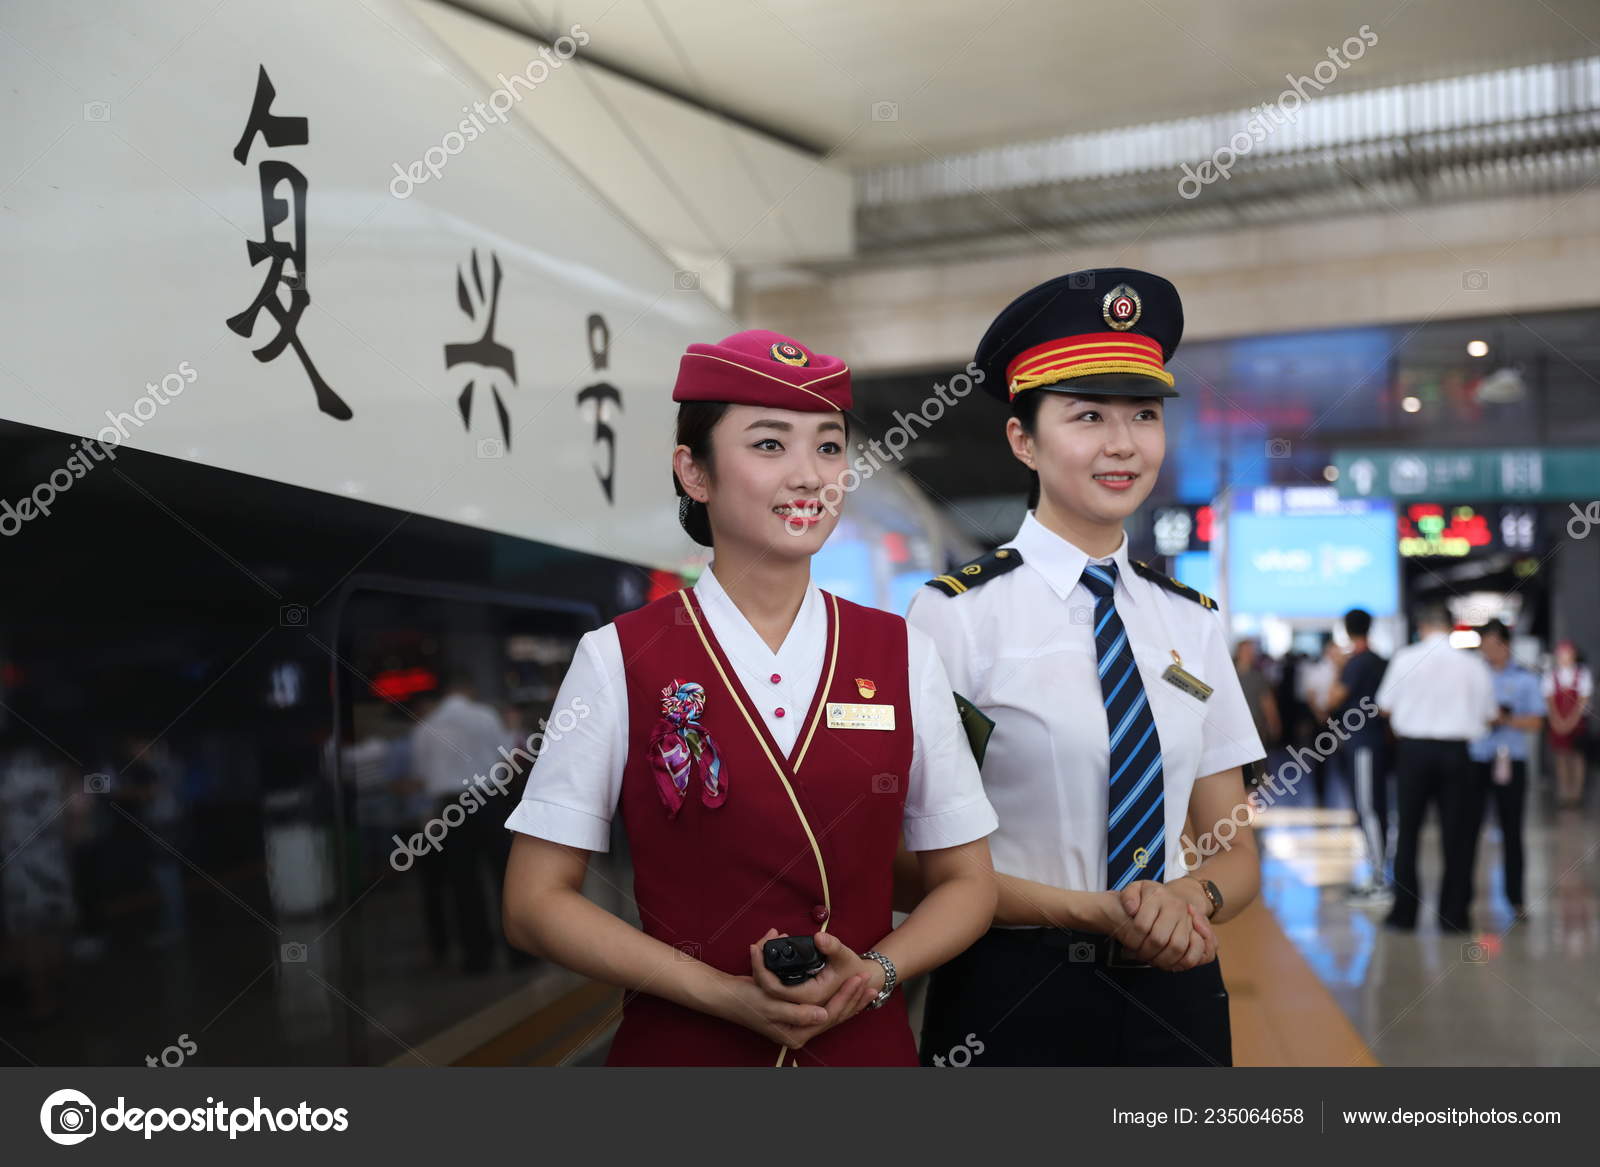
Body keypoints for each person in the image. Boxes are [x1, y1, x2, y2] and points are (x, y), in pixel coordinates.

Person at [500, 329, 999, 1066]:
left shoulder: (901, 655)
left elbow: (967, 883)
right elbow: (535, 901)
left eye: (828, 447)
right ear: (693, 472)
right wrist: (720, 993)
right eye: (770, 445)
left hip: (861, 1055)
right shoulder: (619, 657)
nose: (810, 475)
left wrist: (876, 972)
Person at [902, 268, 1266, 1067]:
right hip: (1010, 993)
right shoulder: (955, 615)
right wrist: (1096, 911)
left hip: (1180, 986)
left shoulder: (1189, 621)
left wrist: (1186, 897)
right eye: (1087, 415)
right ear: (1022, 439)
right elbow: (912, 856)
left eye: (1143, 414)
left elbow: (1234, 847)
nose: (1123, 443)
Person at [1373, 602, 1496, 933]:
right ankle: (1454, 915)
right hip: (1458, 754)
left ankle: (1404, 914)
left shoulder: (1405, 658)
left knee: (1408, 833)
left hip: (1413, 753)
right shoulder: (1473, 664)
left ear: (1422, 626)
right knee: (1458, 836)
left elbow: (1384, 707)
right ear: (1451, 627)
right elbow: (1489, 713)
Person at [410, 676, 513, 974]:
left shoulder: (425, 726)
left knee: (463, 884)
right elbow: (506, 759)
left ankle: (477, 957)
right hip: (488, 799)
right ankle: (520, 953)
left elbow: (421, 776)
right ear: (469, 689)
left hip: (449, 807)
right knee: (504, 877)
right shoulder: (484, 715)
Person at [1466, 620, 1544, 920]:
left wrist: (1505, 720)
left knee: (1512, 831)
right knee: (1468, 830)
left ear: (1505, 645)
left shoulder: (1524, 679)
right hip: (1476, 759)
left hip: (1510, 760)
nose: (1487, 650)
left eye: (1492, 644)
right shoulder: (1474, 675)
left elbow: (1536, 722)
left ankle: (1516, 899)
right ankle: (1464, 898)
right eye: (1483, 644)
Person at [1324, 608, 1392, 906]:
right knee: (1374, 808)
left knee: (1368, 809)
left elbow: (1333, 698)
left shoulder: (1357, 663)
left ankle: (1379, 881)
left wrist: (1337, 666)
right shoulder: (1380, 661)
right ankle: (1378, 875)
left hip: (1363, 742)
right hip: (1374, 739)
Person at [1543, 640, 1591, 809]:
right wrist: (1557, 721)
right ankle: (1564, 793)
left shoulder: (1582, 674)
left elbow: (1583, 701)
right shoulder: (1551, 676)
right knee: (1561, 757)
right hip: (1558, 721)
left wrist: (1570, 722)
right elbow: (1549, 702)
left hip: (1577, 722)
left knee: (1577, 757)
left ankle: (1576, 793)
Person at [1233, 639, 1281, 752]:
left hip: (1256, 728)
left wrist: (1273, 722)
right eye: (1246, 650)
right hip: (1235, 728)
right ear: (1238, 652)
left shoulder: (1259, 676)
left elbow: (1267, 701)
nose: (1250, 653)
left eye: (1252, 651)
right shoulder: (1229, 675)